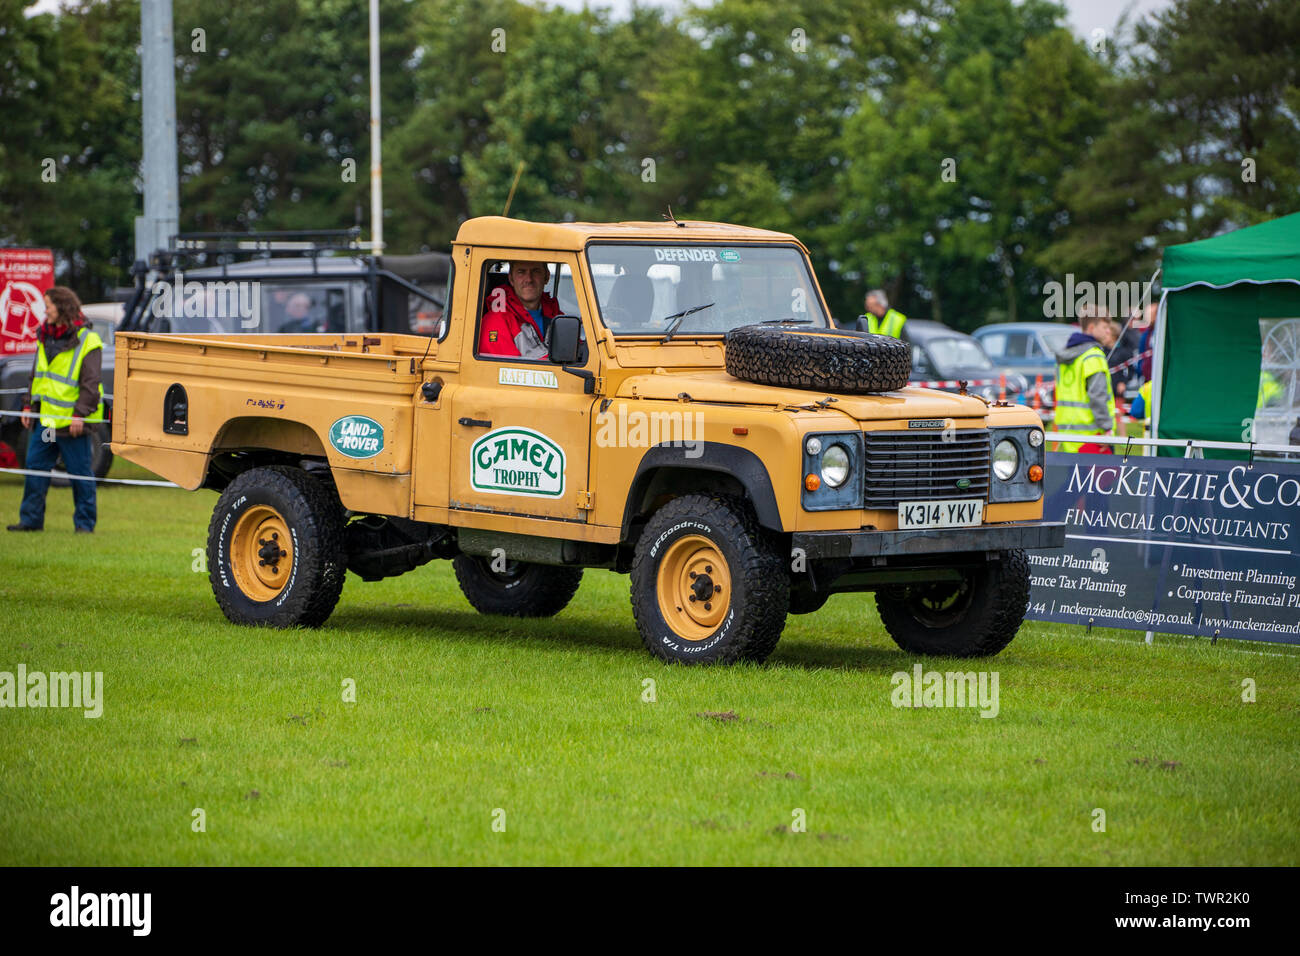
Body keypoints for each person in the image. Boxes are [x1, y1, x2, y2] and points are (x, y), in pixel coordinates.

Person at [8, 286, 104, 533]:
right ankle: (30, 521)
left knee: (80, 474)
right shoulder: (44, 336)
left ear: (61, 307)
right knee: (35, 466)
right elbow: (37, 375)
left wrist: (79, 414)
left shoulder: (88, 340)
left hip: (72, 423)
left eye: (48, 305)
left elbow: (90, 383)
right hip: (47, 423)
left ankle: (84, 526)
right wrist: (28, 405)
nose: (45, 310)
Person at [1053, 307, 1118, 454]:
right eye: (1105, 327)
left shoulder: (1066, 356)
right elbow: (1098, 396)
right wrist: (1107, 429)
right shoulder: (1093, 356)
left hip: (1068, 436)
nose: (1109, 331)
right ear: (1091, 327)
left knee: (1072, 477)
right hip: (1094, 437)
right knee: (1105, 477)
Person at [479, 261, 560, 359]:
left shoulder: (555, 314)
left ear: (546, 277)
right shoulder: (495, 320)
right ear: (511, 279)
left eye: (536, 271)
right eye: (521, 272)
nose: (529, 279)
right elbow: (505, 370)